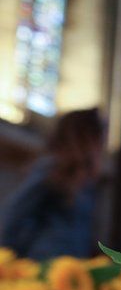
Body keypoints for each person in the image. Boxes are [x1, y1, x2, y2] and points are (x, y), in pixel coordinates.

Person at [0, 109, 105, 259]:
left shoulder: (86, 180)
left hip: (70, 267)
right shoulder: (51, 169)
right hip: (42, 265)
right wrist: (8, 263)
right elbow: (13, 214)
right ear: (84, 136)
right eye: (98, 137)